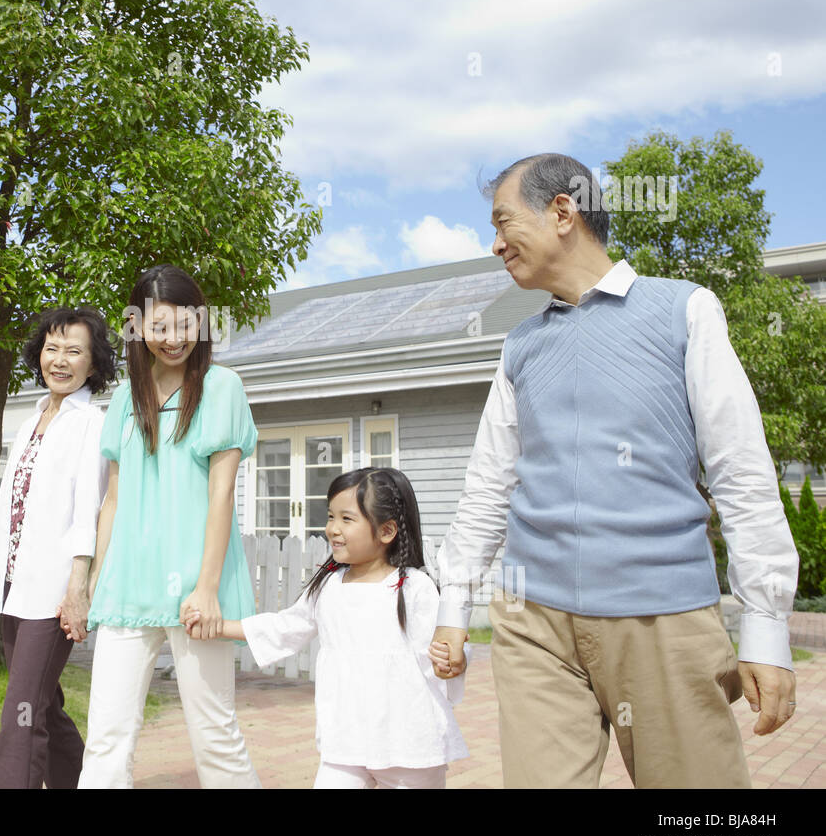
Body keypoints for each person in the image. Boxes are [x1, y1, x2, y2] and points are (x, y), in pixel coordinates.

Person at [430, 153, 799, 788]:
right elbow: (489, 483)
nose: (495, 245)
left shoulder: (683, 311)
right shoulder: (521, 345)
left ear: (562, 212)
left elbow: (741, 471)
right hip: (534, 625)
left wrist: (766, 627)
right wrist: (454, 605)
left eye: (502, 223)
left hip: (661, 621)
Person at [77, 264, 260, 788]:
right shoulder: (124, 399)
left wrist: (206, 588)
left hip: (196, 591)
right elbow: (113, 498)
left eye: (185, 324)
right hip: (128, 586)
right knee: (107, 735)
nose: (173, 338)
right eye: (159, 326)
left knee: (213, 734)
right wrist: (94, 580)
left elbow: (221, 493)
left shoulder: (221, 387)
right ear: (138, 327)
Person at [185, 467, 469, 788]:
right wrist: (219, 626)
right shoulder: (328, 586)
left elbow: (446, 650)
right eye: (330, 516)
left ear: (386, 531)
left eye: (347, 519)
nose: (332, 528)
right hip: (346, 740)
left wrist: (452, 660)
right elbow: (286, 627)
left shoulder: (414, 588)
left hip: (409, 743)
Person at [0, 306, 115, 789]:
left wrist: (78, 588)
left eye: (75, 351)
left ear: (94, 363)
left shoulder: (92, 422)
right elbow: (7, 506)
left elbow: (90, 509)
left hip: (53, 589)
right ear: (38, 354)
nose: (60, 360)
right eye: (52, 349)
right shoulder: (30, 422)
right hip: (12, 584)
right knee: (41, 701)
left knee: (21, 711)